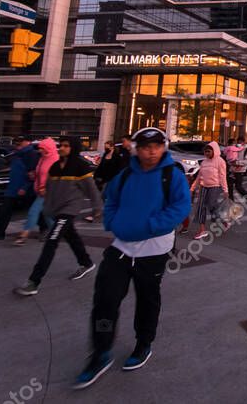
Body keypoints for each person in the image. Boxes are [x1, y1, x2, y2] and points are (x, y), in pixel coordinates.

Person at [75, 127, 190, 388]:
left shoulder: (172, 175)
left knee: (148, 299)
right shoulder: (125, 174)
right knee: (105, 299)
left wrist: (150, 226)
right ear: (137, 147)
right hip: (121, 247)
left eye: (157, 146)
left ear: (164, 147)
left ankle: (143, 343)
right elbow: (111, 200)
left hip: (154, 250)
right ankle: (101, 352)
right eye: (147, 146)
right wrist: (114, 223)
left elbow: (180, 207)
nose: (152, 151)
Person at [14, 138, 103, 296]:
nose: (61, 148)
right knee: (71, 237)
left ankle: (34, 281)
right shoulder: (55, 167)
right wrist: (48, 207)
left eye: (66, 145)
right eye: (60, 145)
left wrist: (97, 208)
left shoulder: (80, 166)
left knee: (51, 241)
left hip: (70, 209)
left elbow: (91, 188)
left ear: (73, 148)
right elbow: (50, 190)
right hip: (57, 209)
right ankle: (86, 262)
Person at [0, 136, 39, 242]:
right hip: (13, 187)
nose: (18, 144)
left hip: (25, 188)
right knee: (5, 210)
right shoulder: (16, 154)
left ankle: (46, 229)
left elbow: (32, 174)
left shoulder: (31, 155)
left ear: (27, 142)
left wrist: (25, 187)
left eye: (21, 142)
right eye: (17, 142)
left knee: (35, 210)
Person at [14, 137, 59, 245]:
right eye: (40, 148)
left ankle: (24, 235)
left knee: (33, 212)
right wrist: (34, 174)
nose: (40, 150)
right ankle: (58, 232)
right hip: (40, 190)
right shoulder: (43, 158)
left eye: (42, 148)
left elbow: (56, 178)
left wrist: (44, 187)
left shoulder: (55, 160)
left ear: (48, 148)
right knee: (47, 214)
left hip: (48, 191)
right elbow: (41, 173)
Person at [188, 142, 227, 240]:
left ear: (214, 151)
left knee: (211, 204)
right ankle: (202, 230)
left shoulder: (220, 161)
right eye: (205, 152)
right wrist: (192, 188)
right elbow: (199, 177)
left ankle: (222, 219)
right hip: (204, 186)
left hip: (215, 186)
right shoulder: (204, 162)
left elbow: (222, 176)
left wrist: (225, 190)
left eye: (208, 152)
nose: (207, 154)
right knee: (201, 207)